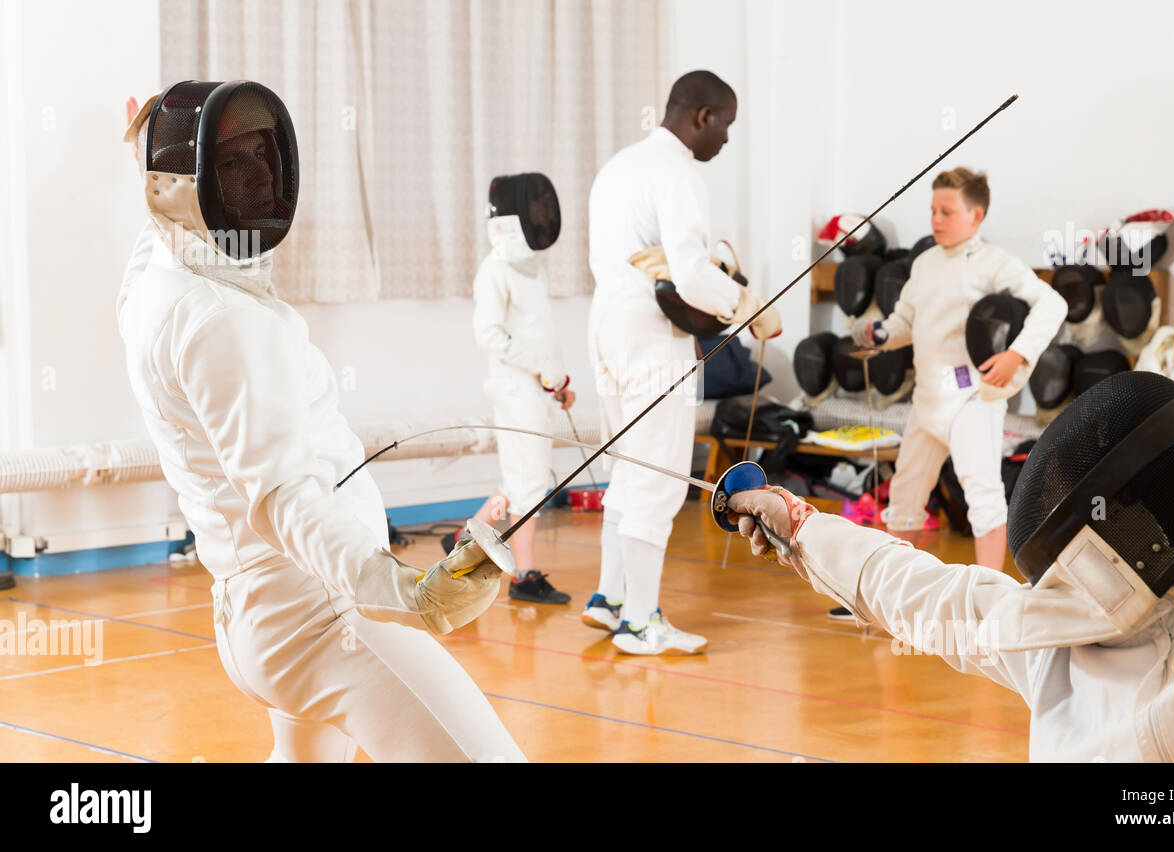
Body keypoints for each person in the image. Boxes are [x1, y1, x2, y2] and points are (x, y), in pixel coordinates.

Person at [118, 81, 525, 762]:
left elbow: (156, 217)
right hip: (322, 613)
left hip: (256, 615)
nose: (263, 174)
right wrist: (401, 591)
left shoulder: (155, 276)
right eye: (233, 163)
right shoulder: (223, 322)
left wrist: (145, 147)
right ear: (184, 186)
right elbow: (283, 495)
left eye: (264, 152)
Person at [726, 371, 1174, 761]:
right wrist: (801, 527)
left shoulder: (1043, 639)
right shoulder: (1051, 639)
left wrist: (800, 524)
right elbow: (914, 589)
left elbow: (918, 594)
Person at [584, 70, 779, 655]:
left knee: (627, 472)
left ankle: (610, 597)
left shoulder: (618, 167)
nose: (725, 140)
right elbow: (691, 274)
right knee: (658, 480)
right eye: (726, 125)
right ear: (702, 116)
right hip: (650, 341)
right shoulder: (678, 172)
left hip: (607, 333)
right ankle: (641, 622)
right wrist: (748, 307)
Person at [853, 168, 1067, 575]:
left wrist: (1017, 354)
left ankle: (989, 596)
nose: (935, 220)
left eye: (947, 212)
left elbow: (1052, 303)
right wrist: (879, 334)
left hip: (972, 399)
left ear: (976, 215)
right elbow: (906, 322)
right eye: (933, 210)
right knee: (904, 497)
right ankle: (894, 590)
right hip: (927, 399)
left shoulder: (994, 263)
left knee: (983, 498)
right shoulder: (924, 264)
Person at [447, 173, 573, 606]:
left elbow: (541, 337)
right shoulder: (495, 270)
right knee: (530, 483)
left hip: (536, 392)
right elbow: (489, 336)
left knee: (520, 478)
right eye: (535, 208)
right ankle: (524, 576)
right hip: (514, 392)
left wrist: (558, 380)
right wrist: (541, 370)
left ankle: (465, 539)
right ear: (515, 217)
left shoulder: (532, 270)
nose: (542, 215)